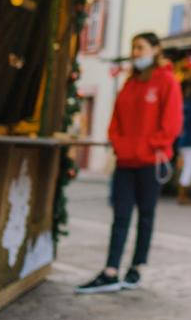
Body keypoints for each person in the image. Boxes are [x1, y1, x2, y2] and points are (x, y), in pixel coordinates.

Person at [77, 32, 182, 294]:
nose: (136, 52)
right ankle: (111, 270)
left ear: (156, 50)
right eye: (133, 47)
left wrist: (151, 146)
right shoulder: (130, 83)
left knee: (145, 216)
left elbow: (171, 123)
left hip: (151, 161)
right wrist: (120, 145)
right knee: (120, 215)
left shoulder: (166, 81)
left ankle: (137, 267)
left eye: (141, 47)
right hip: (125, 161)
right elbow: (116, 120)